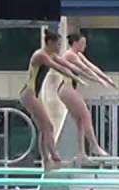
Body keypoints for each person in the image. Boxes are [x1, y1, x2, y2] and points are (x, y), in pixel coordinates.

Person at [20, 30, 82, 165]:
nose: (60, 47)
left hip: (32, 95)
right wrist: (75, 77)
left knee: (44, 128)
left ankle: (46, 160)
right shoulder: (40, 55)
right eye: (58, 44)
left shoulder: (51, 55)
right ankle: (55, 158)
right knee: (48, 126)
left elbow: (66, 65)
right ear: (49, 43)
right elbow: (58, 67)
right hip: (29, 94)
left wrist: (83, 72)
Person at [57, 32, 115, 160]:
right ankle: (94, 146)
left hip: (68, 89)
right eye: (82, 43)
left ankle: (81, 153)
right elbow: (85, 70)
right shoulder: (70, 55)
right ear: (75, 43)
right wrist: (99, 80)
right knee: (85, 115)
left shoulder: (77, 54)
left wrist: (106, 78)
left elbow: (92, 66)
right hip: (66, 88)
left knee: (79, 120)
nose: (85, 45)